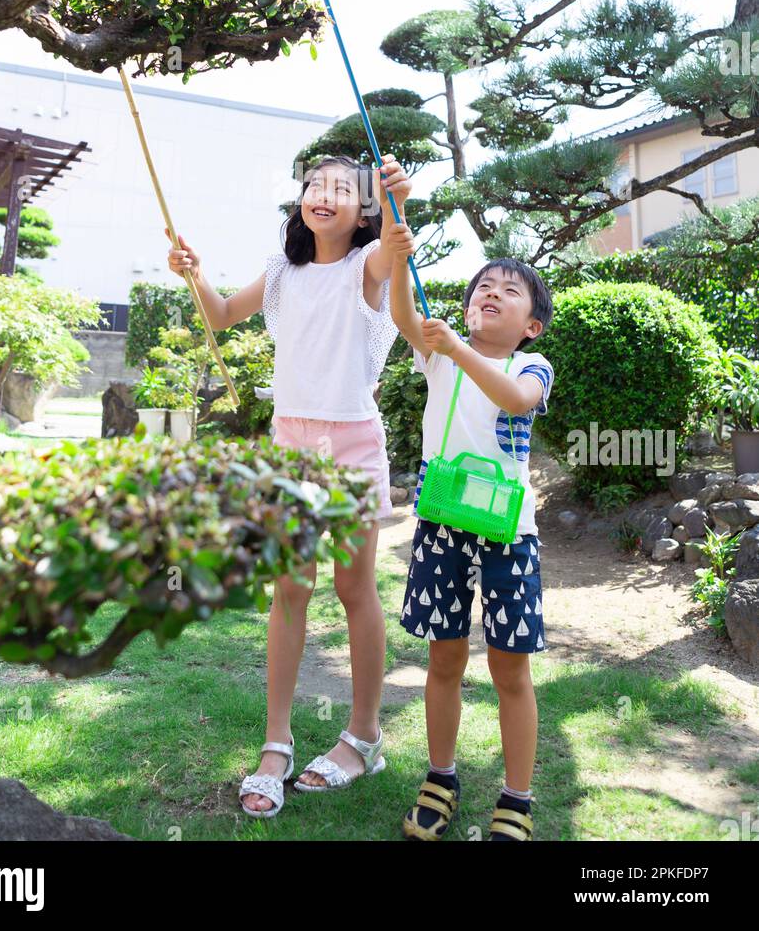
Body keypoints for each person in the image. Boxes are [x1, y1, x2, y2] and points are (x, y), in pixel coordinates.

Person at [166, 153, 411, 817]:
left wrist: (396, 199)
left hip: (352, 445)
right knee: (290, 589)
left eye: (341, 189)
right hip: (290, 447)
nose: (322, 195)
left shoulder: (368, 266)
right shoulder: (283, 269)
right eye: (313, 186)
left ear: (362, 210)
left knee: (354, 587)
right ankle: (276, 743)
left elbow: (393, 249)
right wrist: (194, 276)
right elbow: (218, 316)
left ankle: (363, 736)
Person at [385, 217, 554, 843]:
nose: (491, 292)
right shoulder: (437, 353)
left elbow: (514, 400)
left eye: (509, 291)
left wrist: (459, 349)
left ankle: (517, 796)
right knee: (444, 660)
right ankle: (441, 777)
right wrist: (398, 256)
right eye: (483, 285)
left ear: (531, 324)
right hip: (442, 529)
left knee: (511, 669)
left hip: (510, 534)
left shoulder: (532, 365)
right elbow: (405, 313)